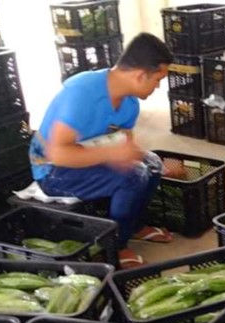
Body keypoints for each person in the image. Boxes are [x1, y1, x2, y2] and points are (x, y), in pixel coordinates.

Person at [29, 33, 174, 268]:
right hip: (52, 170)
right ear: (140, 75)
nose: (158, 87)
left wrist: (155, 163)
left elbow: (124, 142)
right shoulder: (82, 92)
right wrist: (112, 155)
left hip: (89, 153)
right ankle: (116, 246)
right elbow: (58, 154)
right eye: (158, 80)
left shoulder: (129, 103)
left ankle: (135, 226)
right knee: (133, 176)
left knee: (152, 164)